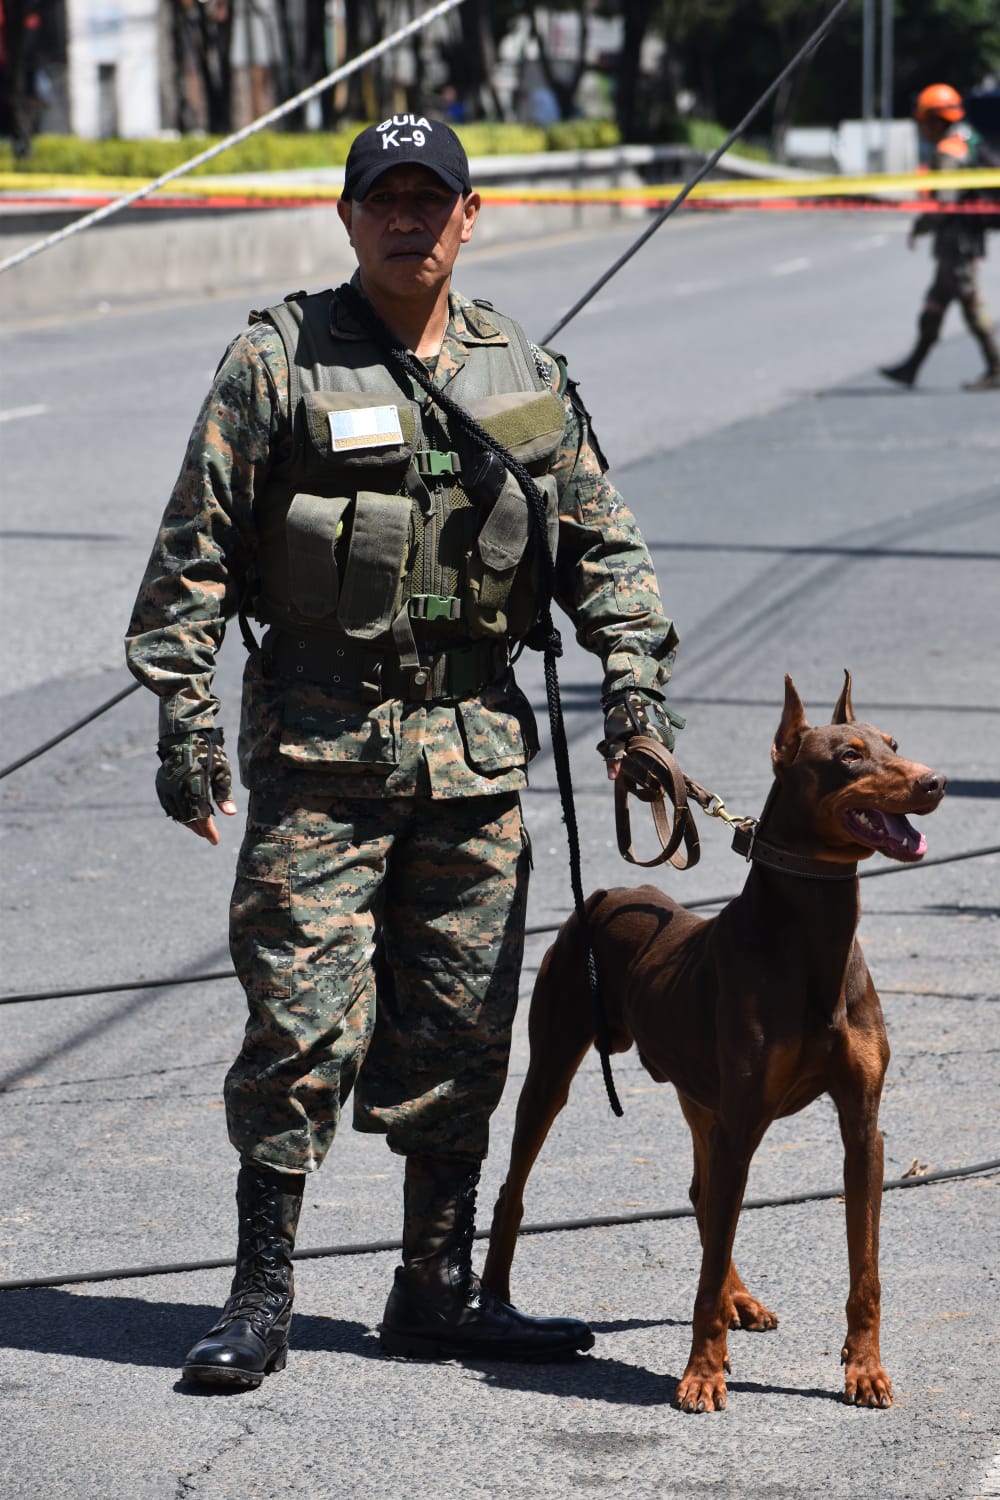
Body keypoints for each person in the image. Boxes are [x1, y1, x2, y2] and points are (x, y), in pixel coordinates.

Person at [125, 116, 682, 1389]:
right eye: (386, 198)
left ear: (471, 218)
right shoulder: (276, 360)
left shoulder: (520, 367)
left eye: (433, 199)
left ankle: (434, 1289)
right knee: (298, 1024)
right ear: (349, 216)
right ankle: (260, 1296)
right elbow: (193, 552)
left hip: (475, 760)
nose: (409, 219)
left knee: (460, 1029)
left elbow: (605, 549)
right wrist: (182, 715)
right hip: (321, 752)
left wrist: (637, 698)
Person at [880, 83, 1000, 392]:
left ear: (936, 120)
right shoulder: (965, 138)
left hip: (958, 241)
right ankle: (912, 367)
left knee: (971, 305)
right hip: (958, 239)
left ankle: (997, 367)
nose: (920, 127)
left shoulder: (949, 150)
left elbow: (945, 202)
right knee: (935, 303)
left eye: (922, 120)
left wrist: (923, 224)